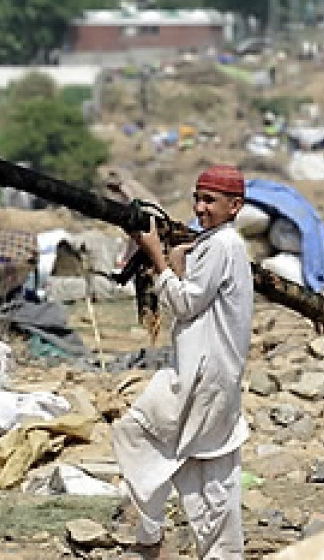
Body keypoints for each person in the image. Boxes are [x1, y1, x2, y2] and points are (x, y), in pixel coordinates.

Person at [113, 164, 254, 559]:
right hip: (218, 376)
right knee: (215, 476)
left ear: (235, 206)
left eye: (210, 200)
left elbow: (186, 303)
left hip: (201, 376)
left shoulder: (222, 245)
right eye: (198, 197)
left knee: (135, 432)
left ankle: (150, 531)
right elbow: (197, 296)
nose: (200, 207)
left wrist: (156, 255)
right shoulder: (220, 244)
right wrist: (175, 260)